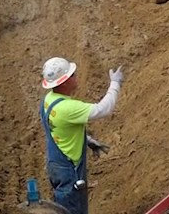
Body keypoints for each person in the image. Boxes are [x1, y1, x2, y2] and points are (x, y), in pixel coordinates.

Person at [39, 57, 123, 214]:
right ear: (64, 83)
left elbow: (58, 128)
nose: (76, 76)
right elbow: (103, 109)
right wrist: (115, 84)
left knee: (63, 206)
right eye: (73, 75)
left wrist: (86, 140)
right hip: (69, 171)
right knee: (73, 209)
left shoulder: (48, 100)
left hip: (55, 164)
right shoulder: (67, 108)